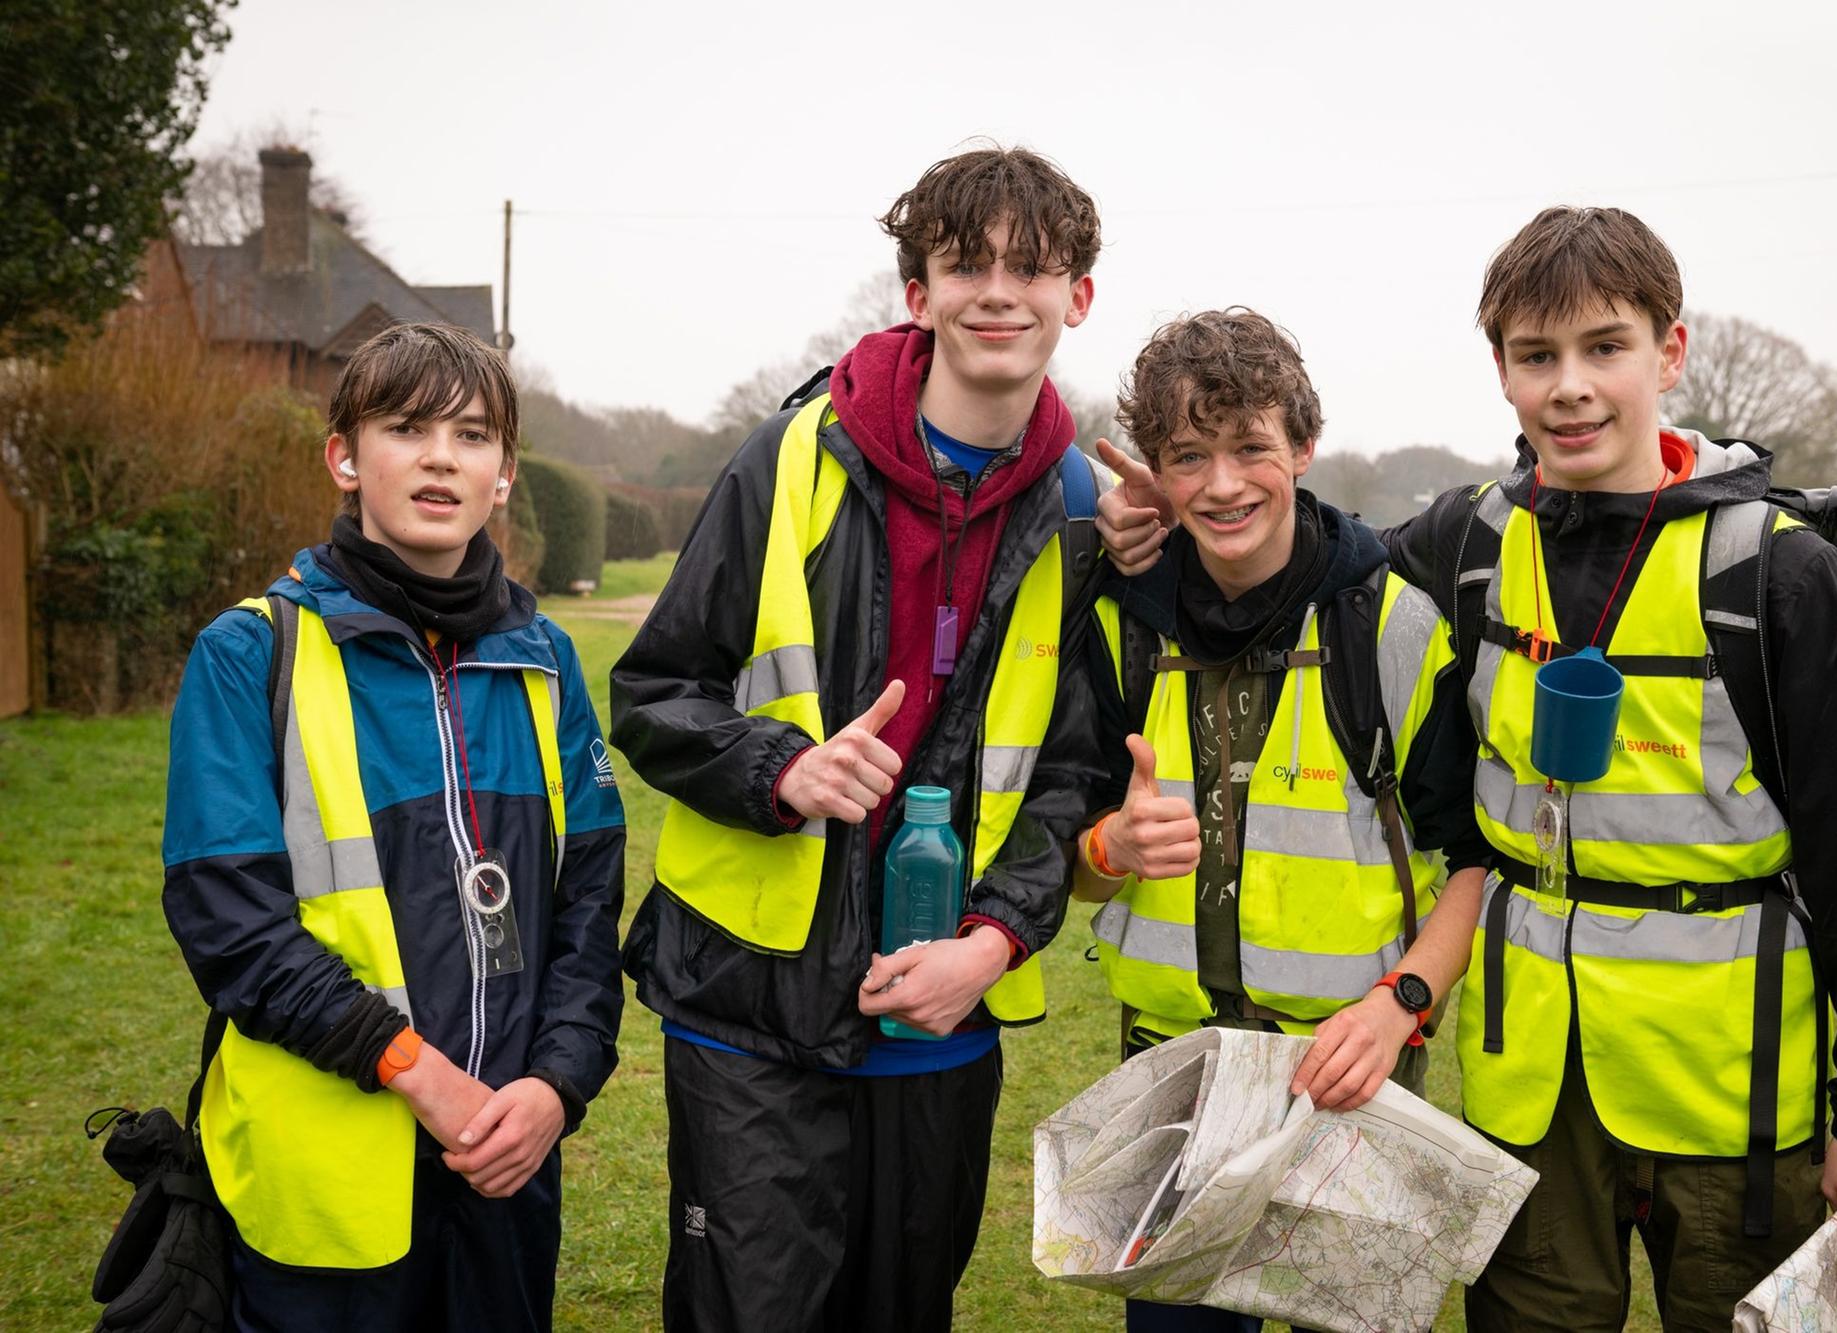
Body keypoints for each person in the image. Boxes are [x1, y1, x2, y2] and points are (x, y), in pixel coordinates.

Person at [1095, 209, 1837, 1331]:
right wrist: (1154, 526)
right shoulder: (1463, 544)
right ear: (1499, 371)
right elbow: (1302, 564)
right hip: (1528, 1101)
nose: (1570, 386)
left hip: (1734, 1106)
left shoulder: (1777, 574)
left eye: (1604, 348)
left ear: (1668, 353)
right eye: (1536, 357)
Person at [611, 146, 1108, 1332]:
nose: (998, 291)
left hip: (937, 1017)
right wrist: (779, 767)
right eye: (964, 263)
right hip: (750, 1008)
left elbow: (1072, 776)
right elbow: (653, 690)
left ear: (1076, 297)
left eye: (1030, 268)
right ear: (915, 293)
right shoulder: (786, 458)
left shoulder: (1082, 508)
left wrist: (989, 947)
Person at [161, 322, 627, 1332]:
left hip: (505, 1163)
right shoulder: (250, 653)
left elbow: (589, 901)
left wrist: (555, 1086)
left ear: (503, 473)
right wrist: (415, 1071)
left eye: (469, 435)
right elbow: (227, 923)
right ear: (343, 458)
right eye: (406, 428)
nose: (438, 457)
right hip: (324, 1192)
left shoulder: (543, 657)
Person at [1072, 309, 1489, 1332]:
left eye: (1249, 447)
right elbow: (1074, 861)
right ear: (1155, 477)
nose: (1221, 485)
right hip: (1171, 1079)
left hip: (1354, 1082)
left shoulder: (1390, 623)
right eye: (1187, 456)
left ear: (1300, 446)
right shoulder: (1120, 623)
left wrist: (1401, 1003)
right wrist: (1106, 847)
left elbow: (1477, 857)